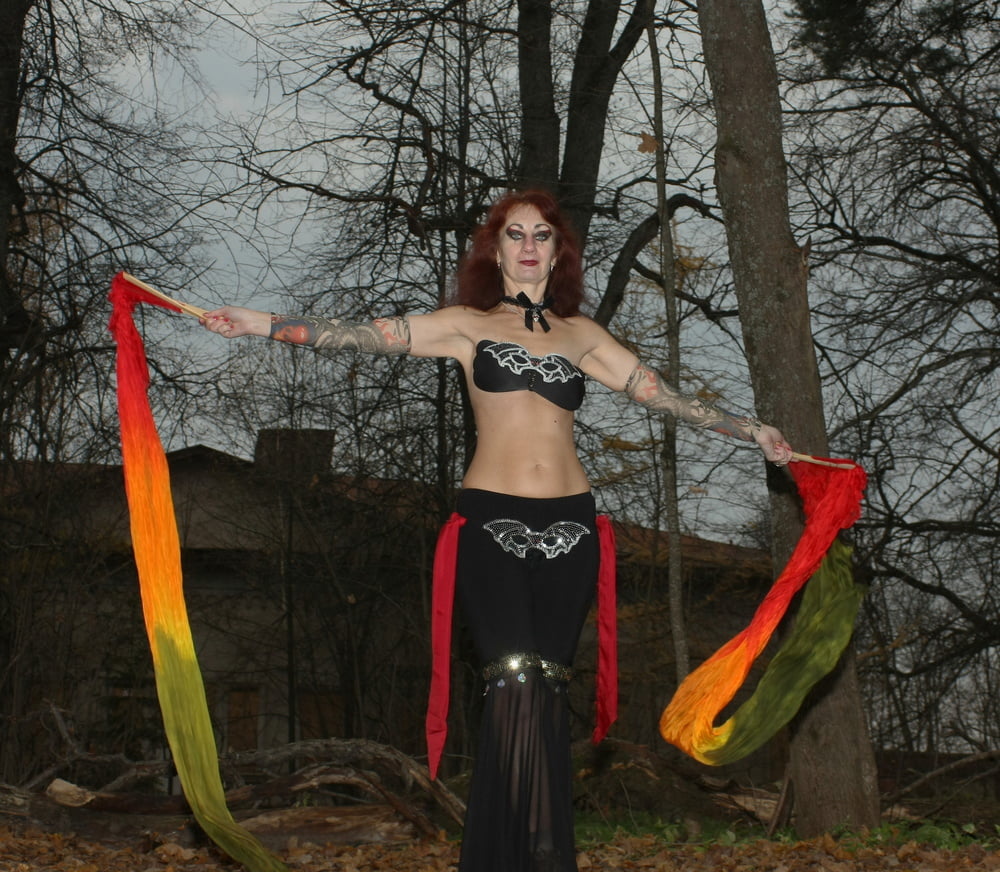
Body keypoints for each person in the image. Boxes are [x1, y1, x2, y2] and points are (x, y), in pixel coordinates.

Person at [201, 189, 793, 872]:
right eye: (516, 234)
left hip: (572, 527)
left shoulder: (582, 335)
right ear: (496, 249)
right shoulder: (466, 325)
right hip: (491, 522)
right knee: (512, 683)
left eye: (542, 234)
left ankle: (544, 853)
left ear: (559, 251)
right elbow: (361, 334)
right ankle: (509, 856)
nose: (530, 245)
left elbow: (663, 395)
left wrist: (752, 430)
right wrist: (256, 322)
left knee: (548, 688)